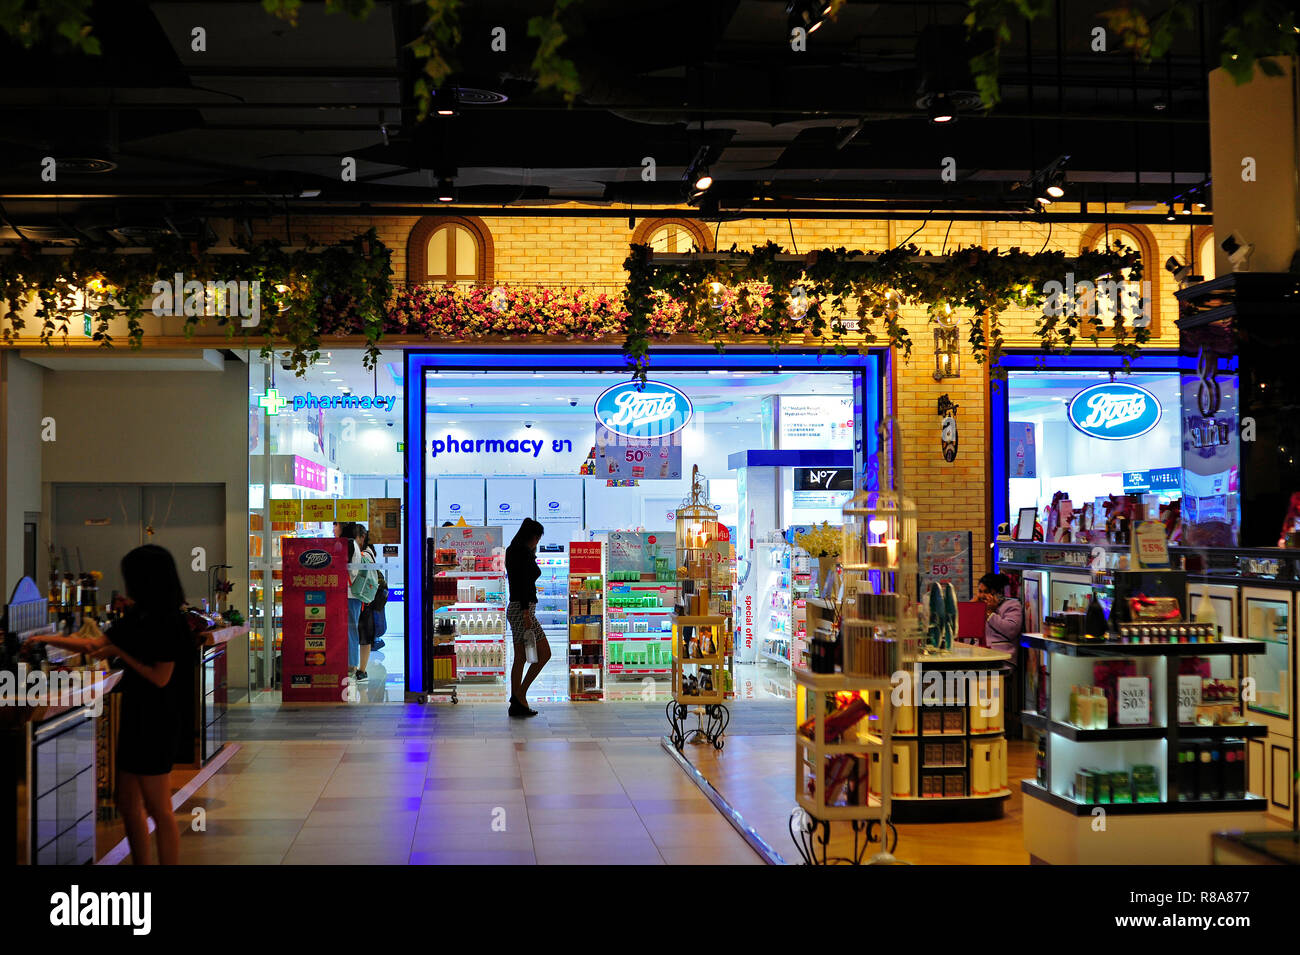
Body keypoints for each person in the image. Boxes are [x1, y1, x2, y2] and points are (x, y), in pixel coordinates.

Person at [31, 545, 193, 865]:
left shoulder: (169, 621)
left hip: (158, 719)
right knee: (126, 801)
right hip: (137, 714)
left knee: (158, 806)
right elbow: (94, 645)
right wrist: (44, 640)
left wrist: (122, 654)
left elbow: (160, 677)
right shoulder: (139, 614)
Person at [505, 518, 550, 717]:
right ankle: (520, 695)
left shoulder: (513, 550)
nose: (537, 542)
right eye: (537, 538)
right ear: (531, 536)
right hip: (522, 610)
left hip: (516, 608)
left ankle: (517, 703)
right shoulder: (522, 553)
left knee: (521, 657)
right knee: (545, 653)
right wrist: (526, 613)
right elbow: (523, 583)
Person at [977, 572, 1023, 657]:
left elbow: (1011, 630)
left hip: (1002, 656)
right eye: (980, 591)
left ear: (998, 593)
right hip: (979, 654)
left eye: (986, 592)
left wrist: (990, 613)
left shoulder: (1012, 605)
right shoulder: (980, 606)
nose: (982, 596)